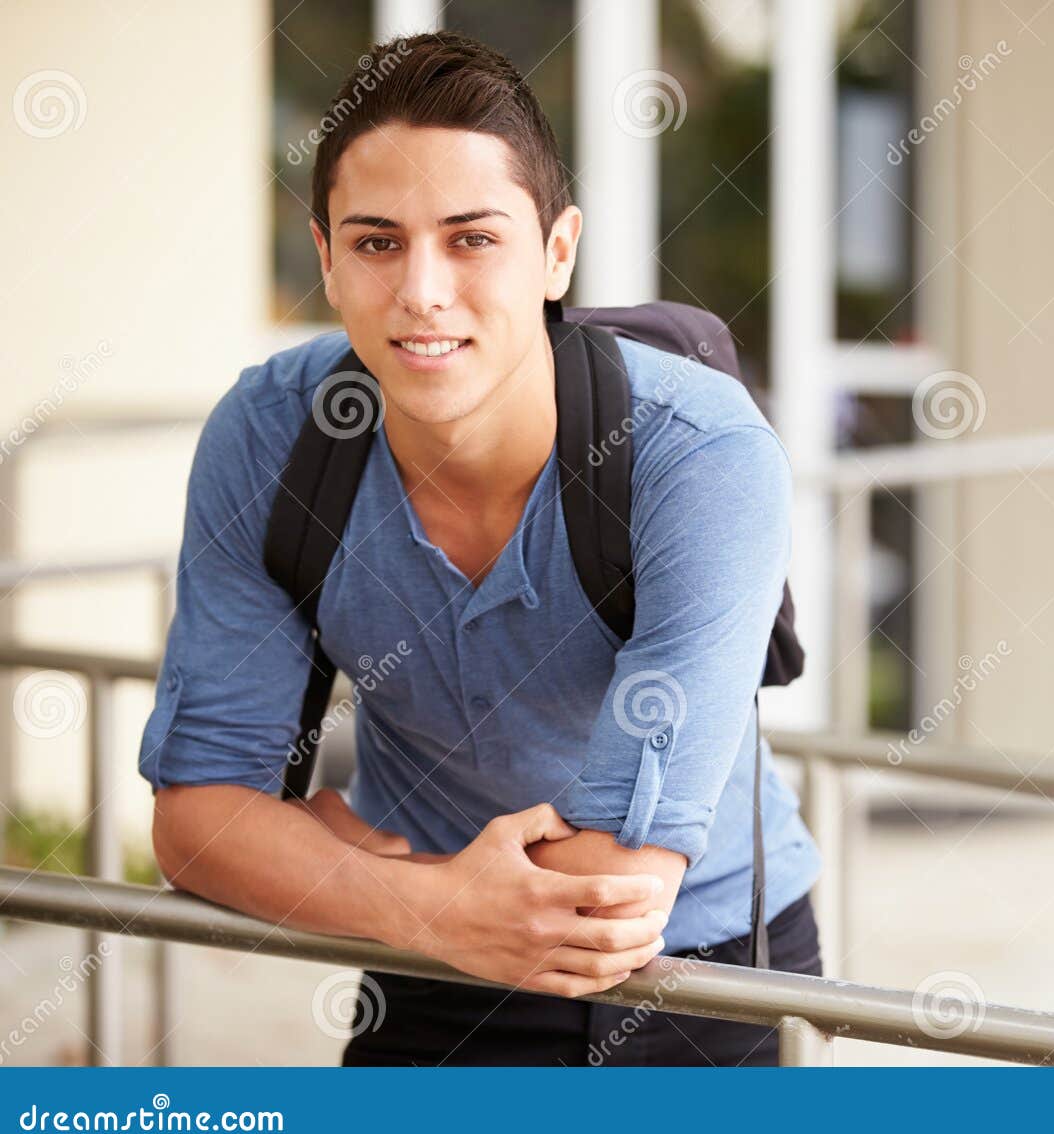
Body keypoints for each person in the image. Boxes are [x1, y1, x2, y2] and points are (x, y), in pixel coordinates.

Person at [137, 30, 822, 1066]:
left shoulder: (698, 452)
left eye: (471, 239)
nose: (421, 291)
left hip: (699, 971)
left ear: (556, 251)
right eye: (376, 242)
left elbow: (611, 895)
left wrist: (330, 863)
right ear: (324, 256)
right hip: (430, 968)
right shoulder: (272, 435)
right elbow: (195, 822)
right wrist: (432, 909)